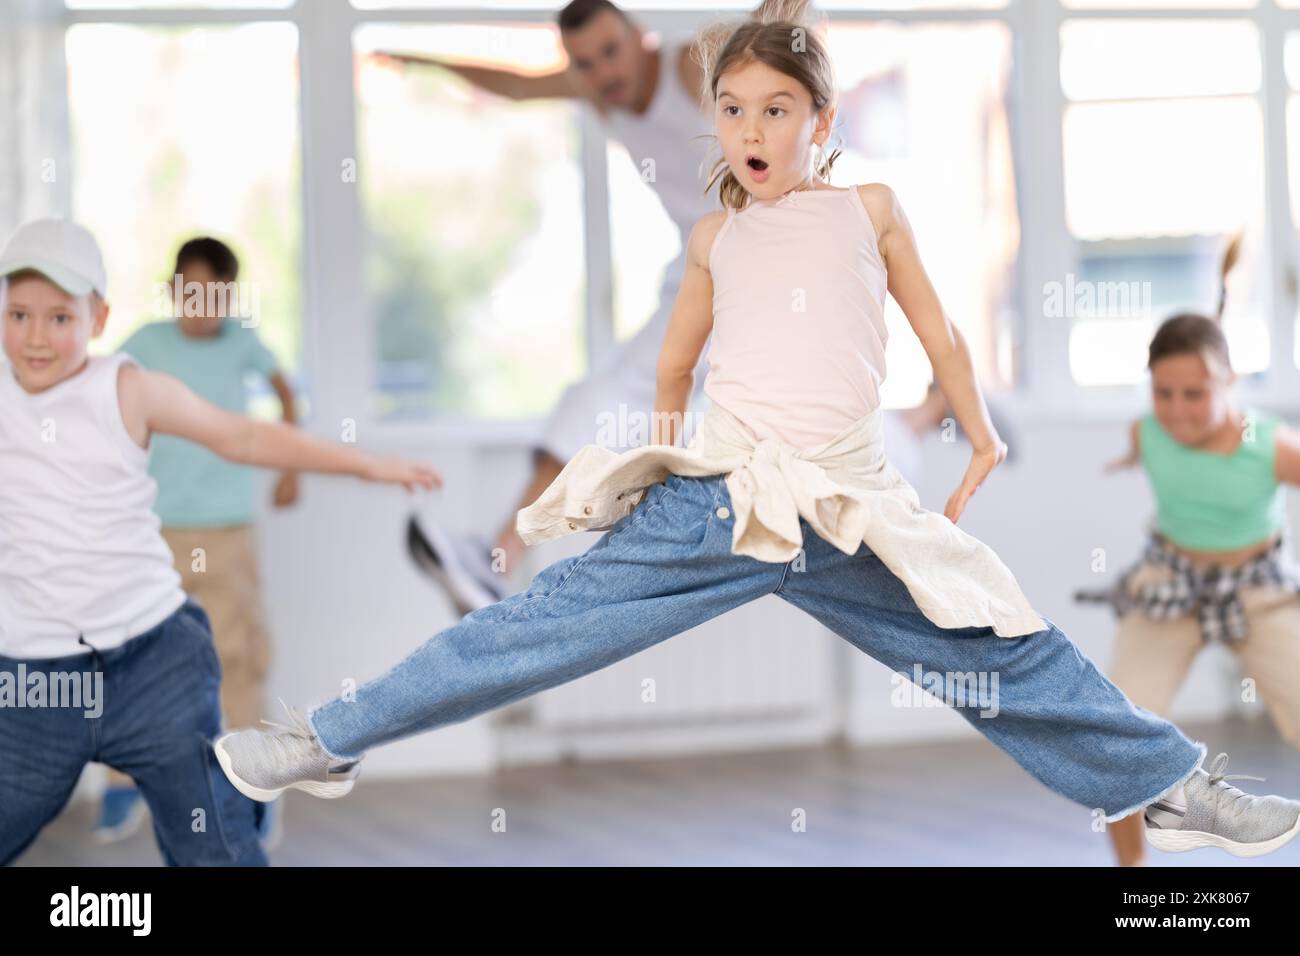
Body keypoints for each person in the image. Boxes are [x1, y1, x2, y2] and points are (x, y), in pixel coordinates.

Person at [215, 0, 1300, 860]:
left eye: (775, 108)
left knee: (1008, 646)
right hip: (719, 501)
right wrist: (661, 459)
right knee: (525, 630)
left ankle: (1170, 785)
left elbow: (943, 335)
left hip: (849, 505)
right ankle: (326, 739)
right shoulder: (710, 237)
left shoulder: (868, 208)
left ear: (819, 121)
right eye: (731, 110)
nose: (749, 130)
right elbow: (676, 363)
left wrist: (978, 433)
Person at [0, 217, 438, 866]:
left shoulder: (127, 388)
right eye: (18, 315)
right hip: (34, 683)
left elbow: (247, 437)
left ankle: (251, 796)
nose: (37, 337)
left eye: (59, 318)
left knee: (214, 847)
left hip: (155, 666)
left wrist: (367, 464)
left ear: (97, 319)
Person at [381, 0, 721, 614]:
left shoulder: (690, 67)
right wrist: (419, 60)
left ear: (639, 37)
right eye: (585, 64)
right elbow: (513, 87)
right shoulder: (599, 91)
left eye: (611, 52)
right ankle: (495, 564)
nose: (603, 73)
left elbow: (765, 36)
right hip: (697, 272)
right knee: (591, 404)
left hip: (760, 266)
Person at [1075, 239, 1300, 865]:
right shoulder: (1146, 431)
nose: (1176, 412)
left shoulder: (1268, 444)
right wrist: (1128, 455)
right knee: (1115, 739)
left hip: (1256, 589)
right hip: (1169, 581)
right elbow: (1156, 439)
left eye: (1195, 395)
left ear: (1229, 381)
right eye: (1163, 394)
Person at [91, 237, 296, 848]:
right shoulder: (147, 343)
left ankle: (255, 787)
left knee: (237, 656)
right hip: (153, 529)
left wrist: (289, 466)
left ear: (229, 297)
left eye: (211, 294)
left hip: (228, 530)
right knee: (136, 653)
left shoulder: (243, 344)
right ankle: (124, 780)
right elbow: (96, 390)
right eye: (187, 291)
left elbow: (285, 389)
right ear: (173, 289)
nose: (197, 305)